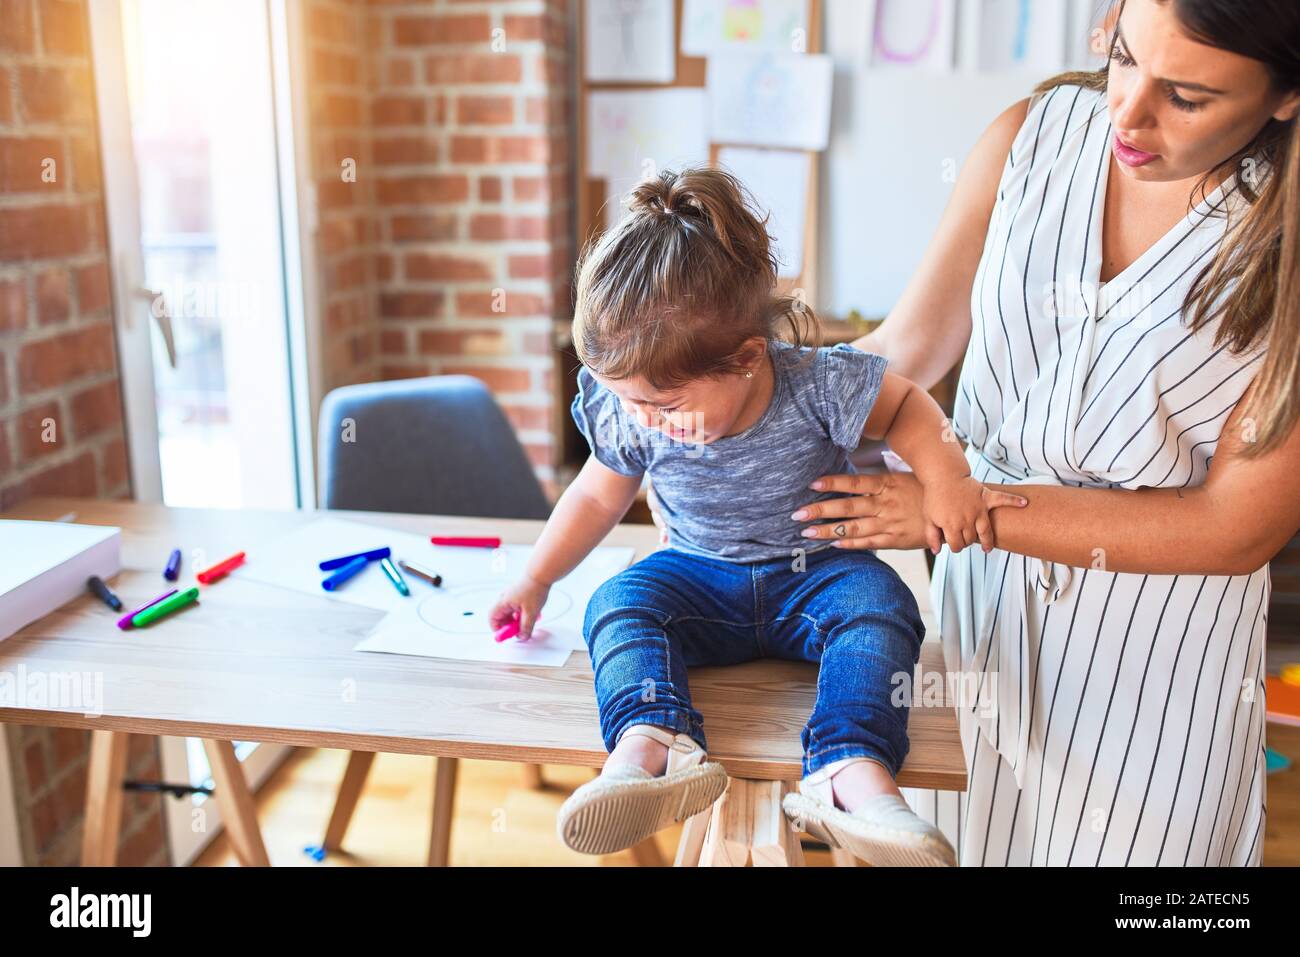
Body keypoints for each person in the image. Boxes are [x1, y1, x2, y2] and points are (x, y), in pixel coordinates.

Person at [788, 0, 1300, 865]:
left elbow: (1236, 524)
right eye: (1126, 58)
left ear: (1284, 97)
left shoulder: (1280, 239)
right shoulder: (1030, 137)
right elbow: (904, 351)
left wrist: (958, 508)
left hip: (1157, 673)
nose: (1128, 112)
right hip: (975, 636)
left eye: (1187, 97)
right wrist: (750, 413)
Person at [489, 166, 1026, 865]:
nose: (645, 421)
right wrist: (535, 577)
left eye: (667, 406)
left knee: (882, 601)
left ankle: (849, 770)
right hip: (698, 580)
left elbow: (909, 409)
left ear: (746, 358)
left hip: (818, 579)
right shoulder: (639, 407)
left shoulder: (817, 380)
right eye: (628, 403)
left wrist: (949, 479)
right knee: (619, 600)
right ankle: (653, 745)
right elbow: (597, 495)